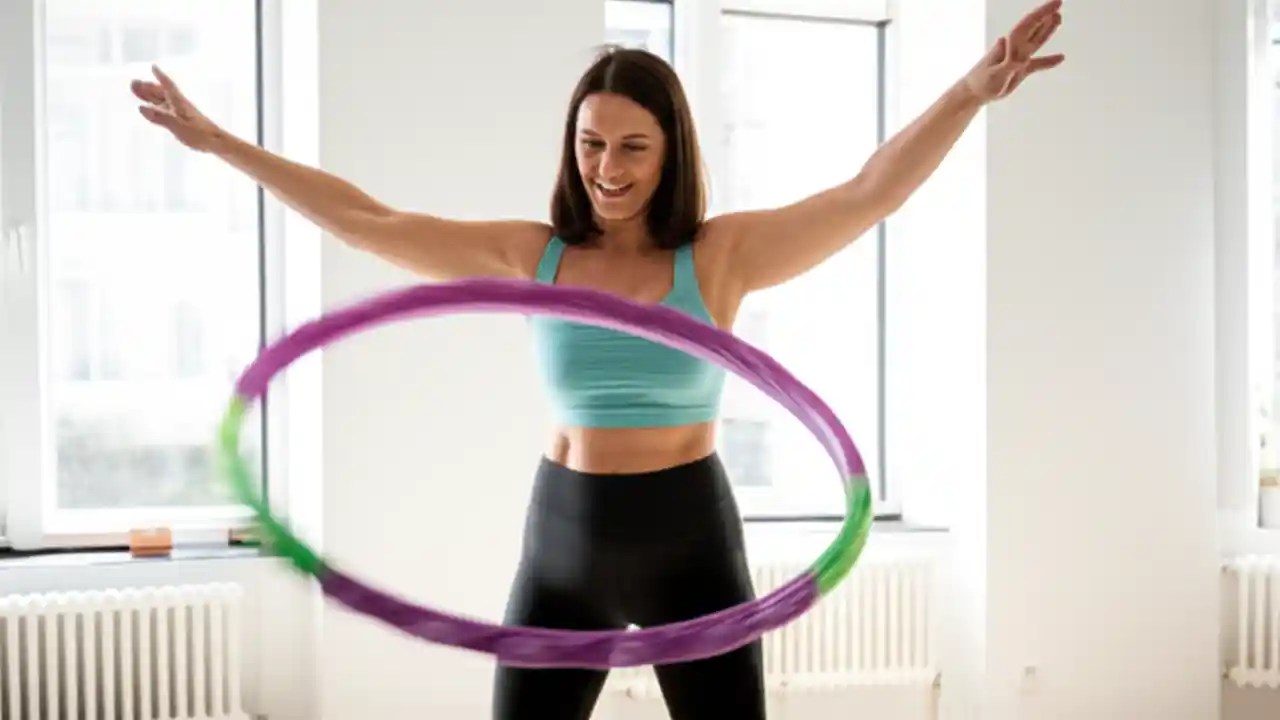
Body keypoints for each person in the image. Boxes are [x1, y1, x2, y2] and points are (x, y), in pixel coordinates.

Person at [132, 2, 1062, 717]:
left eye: (631, 147)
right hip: (564, 541)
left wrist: (967, 94)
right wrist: (218, 143)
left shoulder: (719, 258)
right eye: (589, 144)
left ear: (671, 154)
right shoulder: (535, 255)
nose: (606, 168)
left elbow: (869, 192)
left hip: (689, 537)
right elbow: (370, 222)